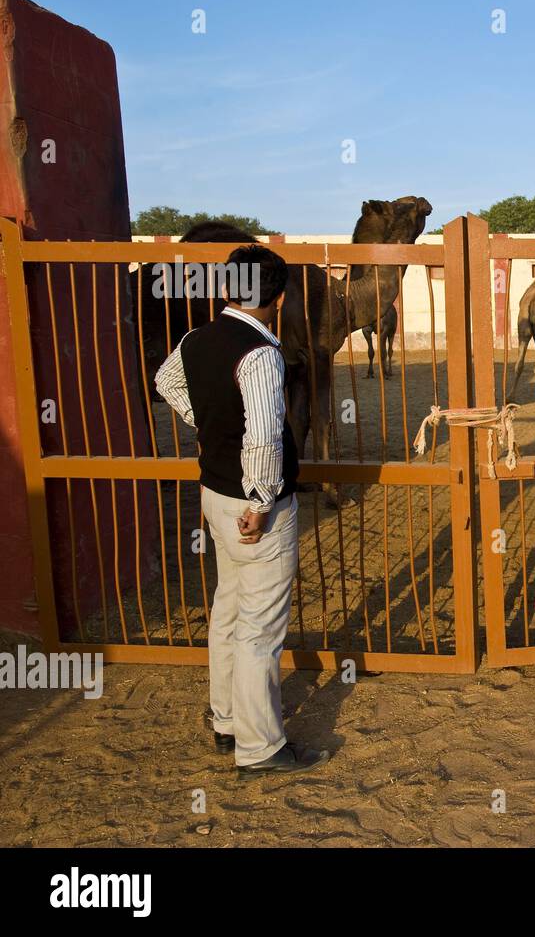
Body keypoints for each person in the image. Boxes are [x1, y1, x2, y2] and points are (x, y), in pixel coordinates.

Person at [154, 244, 331, 779]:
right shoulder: (260, 353)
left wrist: (208, 424)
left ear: (229, 288)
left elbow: (166, 384)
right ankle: (259, 747)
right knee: (259, 626)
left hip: (214, 495)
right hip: (255, 509)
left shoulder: (196, 339)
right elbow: (262, 436)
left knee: (229, 609)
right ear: (277, 297)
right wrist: (259, 499)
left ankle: (226, 718)